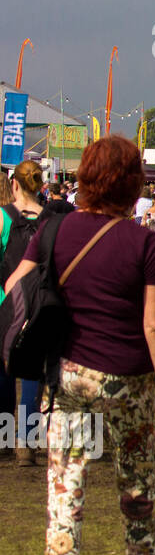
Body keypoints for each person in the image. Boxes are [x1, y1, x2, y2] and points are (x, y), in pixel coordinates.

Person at [5, 136, 155, 555]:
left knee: (65, 483)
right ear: (131, 184)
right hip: (129, 377)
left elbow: (14, 287)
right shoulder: (143, 242)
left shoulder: (55, 231)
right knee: (137, 480)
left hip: (68, 375)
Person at [0, 162, 46, 467]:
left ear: (15, 184)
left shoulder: (3, 217)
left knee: (3, 373)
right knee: (33, 373)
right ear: (41, 185)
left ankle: (4, 439)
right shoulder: (52, 220)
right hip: (41, 305)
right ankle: (27, 444)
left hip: (6, 303)